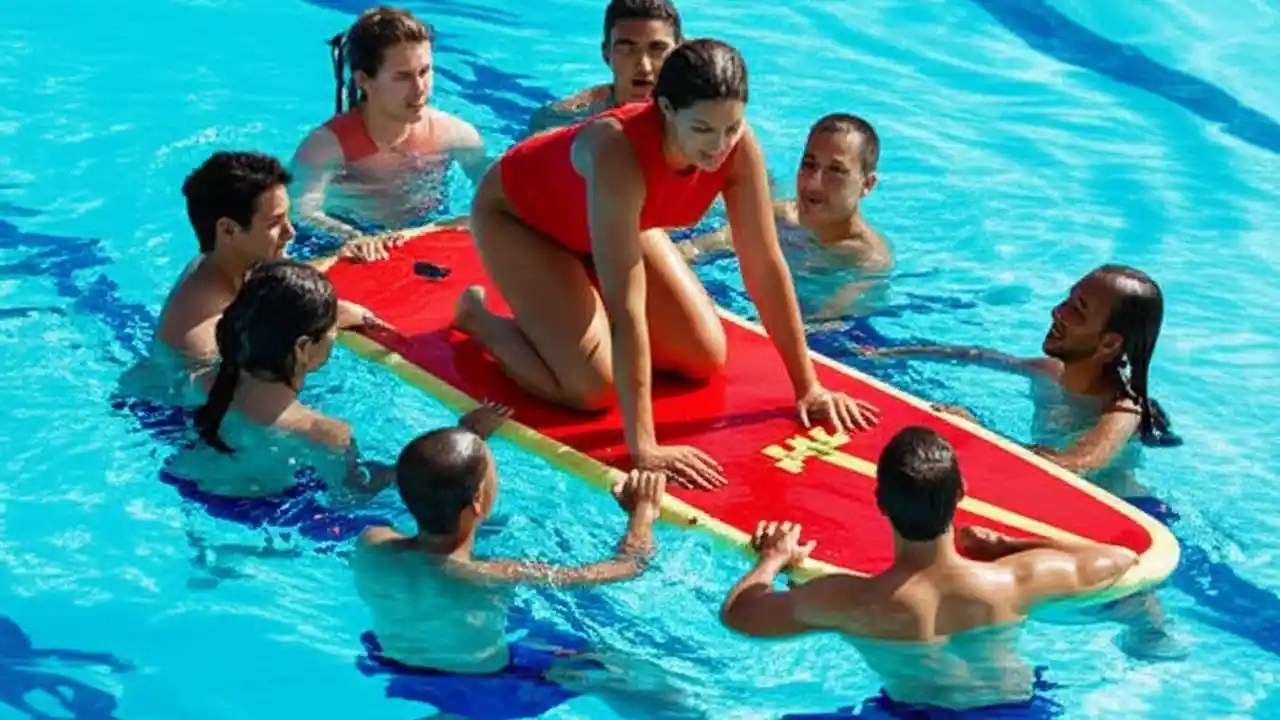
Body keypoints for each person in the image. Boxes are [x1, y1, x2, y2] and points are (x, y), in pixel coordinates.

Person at [455, 39, 879, 490]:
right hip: (522, 222)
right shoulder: (617, 153)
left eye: (731, 127)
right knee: (591, 389)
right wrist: (645, 448)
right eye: (702, 129)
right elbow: (626, 306)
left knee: (704, 355)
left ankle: (572, 308)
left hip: (613, 225)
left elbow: (763, 264)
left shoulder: (738, 147)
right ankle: (479, 319)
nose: (719, 147)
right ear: (665, 109)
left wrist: (807, 387)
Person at [721, 426, 1139, 712]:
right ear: (961, 493)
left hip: (915, 713)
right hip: (1020, 708)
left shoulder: (851, 600)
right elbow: (1119, 557)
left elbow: (740, 615)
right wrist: (1005, 545)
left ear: (880, 502)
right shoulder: (1015, 579)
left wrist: (773, 559)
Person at [353, 401, 664, 675]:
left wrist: (463, 435)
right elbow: (627, 566)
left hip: (394, 664)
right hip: (478, 682)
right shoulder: (493, 574)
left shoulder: (373, 542)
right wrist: (642, 514)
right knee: (626, 673)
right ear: (478, 501)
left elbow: (423, 478)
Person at [864, 264, 1180, 490]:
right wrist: (893, 353)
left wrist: (979, 434)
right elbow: (976, 356)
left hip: (1116, 511)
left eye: (1078, 311)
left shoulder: (1123, 410)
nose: (1058, 311)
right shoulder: (1048, 372)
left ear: (1109, 343)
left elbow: (1077, 463)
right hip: (1041, 490)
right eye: (1067, 300)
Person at [170, 259, 390, 500]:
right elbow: (349, 496)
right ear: (302, 347)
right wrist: (395, 474)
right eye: (332, 330)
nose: (335, 335)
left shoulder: (201, 381)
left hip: (180, 481)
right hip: (255, 515)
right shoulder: (324, 433)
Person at [154, 151, 381, 383]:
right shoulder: (202, 341)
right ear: (228, 230)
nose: (290, 232)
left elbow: (285, 277)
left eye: (287, 217)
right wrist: (325, 324)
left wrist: (339, 256)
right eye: (274, 223)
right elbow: (242, 403)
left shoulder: (241, 260)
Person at [290, 6, 486, 261]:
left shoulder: (456, 136)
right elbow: (300, 211)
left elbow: (497, 195)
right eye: (402, 77)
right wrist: (353, 238)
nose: (419, 90)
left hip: (427, 231)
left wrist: (441, 227)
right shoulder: (326, 147)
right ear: (363, 81)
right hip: (350, 242)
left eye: (425, 71)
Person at [682, 113, 892, 321]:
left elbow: (824, 323)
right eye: (809, 164)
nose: (814, 182)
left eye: (835, 171)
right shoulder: (780, 216)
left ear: (867, 185)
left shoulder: (866, 260)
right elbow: (699, 247)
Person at [527, 0, 682, 136]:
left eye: (657, 49)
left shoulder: (699, 109)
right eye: (627, 49)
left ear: (679, 52)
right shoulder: (566, 118)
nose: (644, 66)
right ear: (606, 54)